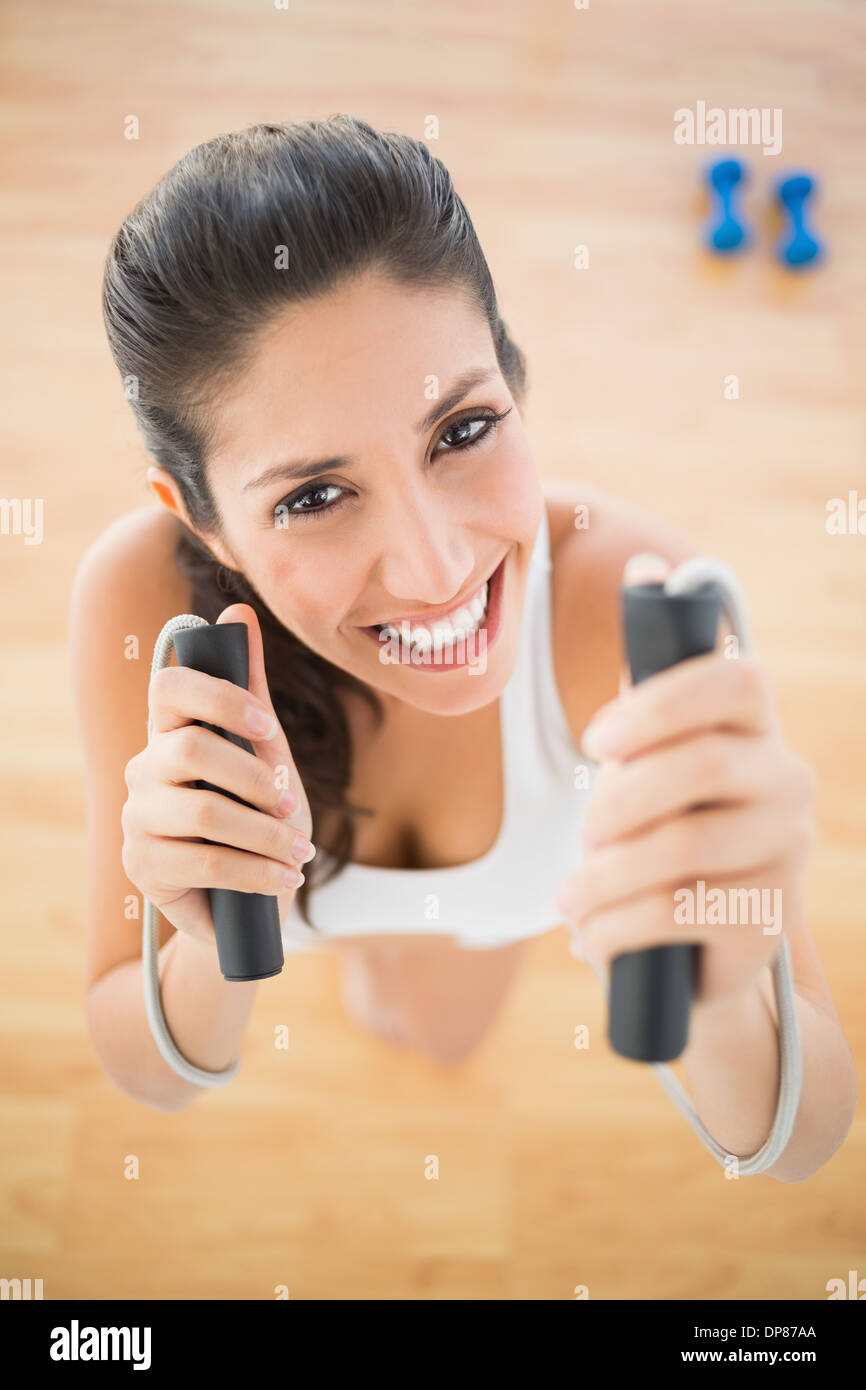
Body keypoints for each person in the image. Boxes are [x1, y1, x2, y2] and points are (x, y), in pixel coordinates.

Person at [71, 116, 855, 1180]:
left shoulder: (639, 609)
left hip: (486, 927)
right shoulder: (138, 600)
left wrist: (721, 984)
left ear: (512, 379)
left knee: (434, 1027)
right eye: (313, 495)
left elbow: (802, 1140)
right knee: (380, 989)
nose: (435, 567)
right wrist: (218, 940)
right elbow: (149, 1065)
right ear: (201, 521)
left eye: (462, 430)